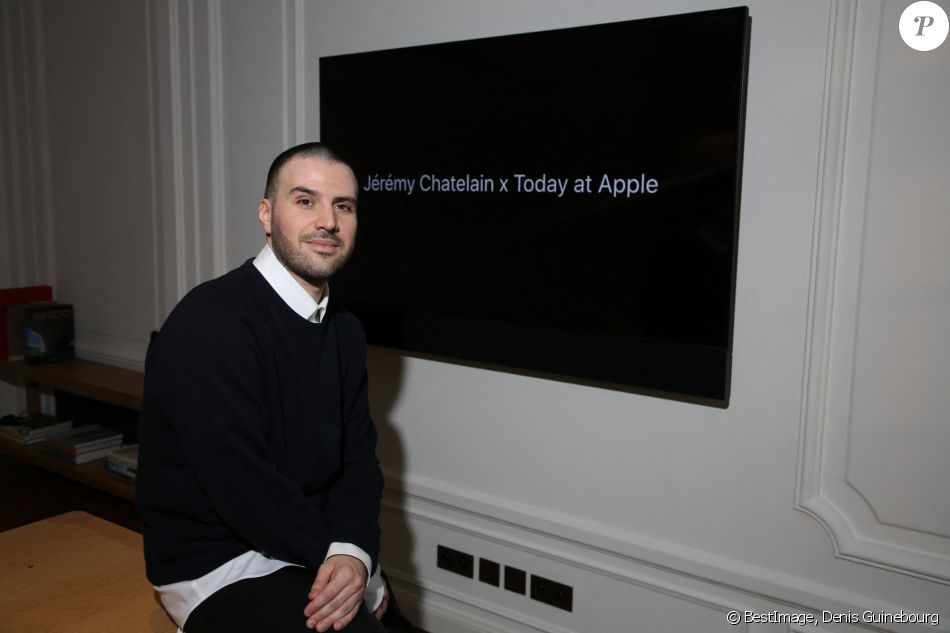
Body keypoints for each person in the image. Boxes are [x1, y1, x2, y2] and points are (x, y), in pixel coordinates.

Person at [136, 142, 409, 633]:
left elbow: (358, 463)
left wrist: (355, 556)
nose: (328, 220)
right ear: (267, 214)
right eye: (305, 201)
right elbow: (242, 486)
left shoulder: (345, 330)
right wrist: (345, 564)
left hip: (304, 542)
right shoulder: (211, 322)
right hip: (217, 562)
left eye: (343, 206)